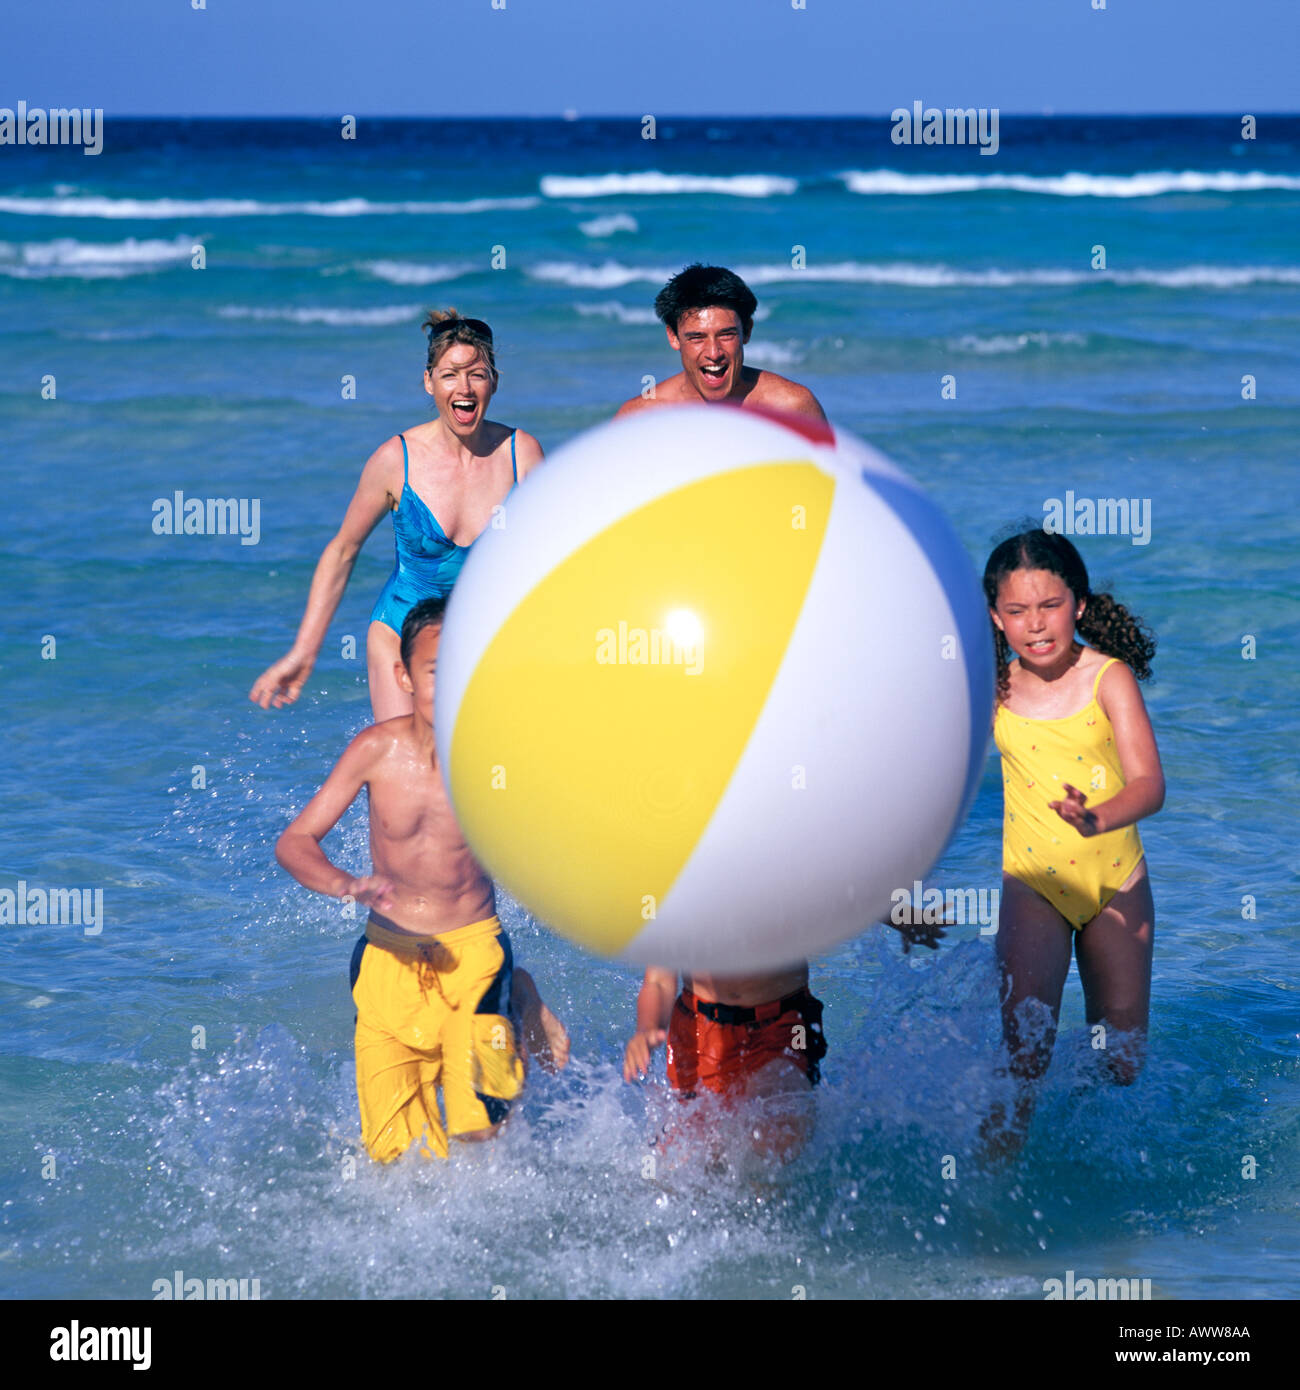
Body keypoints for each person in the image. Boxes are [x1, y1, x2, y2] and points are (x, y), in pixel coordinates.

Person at [275, 595, 569, 1163]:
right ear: (403, 675)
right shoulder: (373, 752)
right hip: (387, 961)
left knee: (483, 1125)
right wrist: (344, 883)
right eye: (437, 671)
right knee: (401, 1164)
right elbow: (294, 841)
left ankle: (517, 996)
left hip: (475, 957)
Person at [251, 311, 543, 721]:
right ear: (429, 382)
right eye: (449, 375)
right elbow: (343, 550)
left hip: (483, 634)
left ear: (494, 381)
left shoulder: (521, 454)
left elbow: (551, 555)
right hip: (401, 632)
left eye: (477, 374)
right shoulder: (395, 461)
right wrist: (304, 651)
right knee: (408, 767)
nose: (464, 388)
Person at [981, 528, 1164, 1155]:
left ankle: (1095, 1190)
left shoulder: (1108, 679)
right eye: (1017, 610)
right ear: (995, 617)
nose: (1035, 624)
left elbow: (1150, 784)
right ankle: (991, 1189)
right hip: (1032, 887)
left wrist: (1099, 816)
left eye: (1050, 605)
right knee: (1024, 1063)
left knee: (1120, 1064)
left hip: (1116, 882)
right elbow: (932, 778)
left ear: (1079, 604)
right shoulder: (995, 689)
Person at [614, 263, 827, 422]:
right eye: (697, 337)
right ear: (673, 337)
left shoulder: (791, 408)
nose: (714, 353)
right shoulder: (641, 418)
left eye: (726, 334)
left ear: (747, 331)